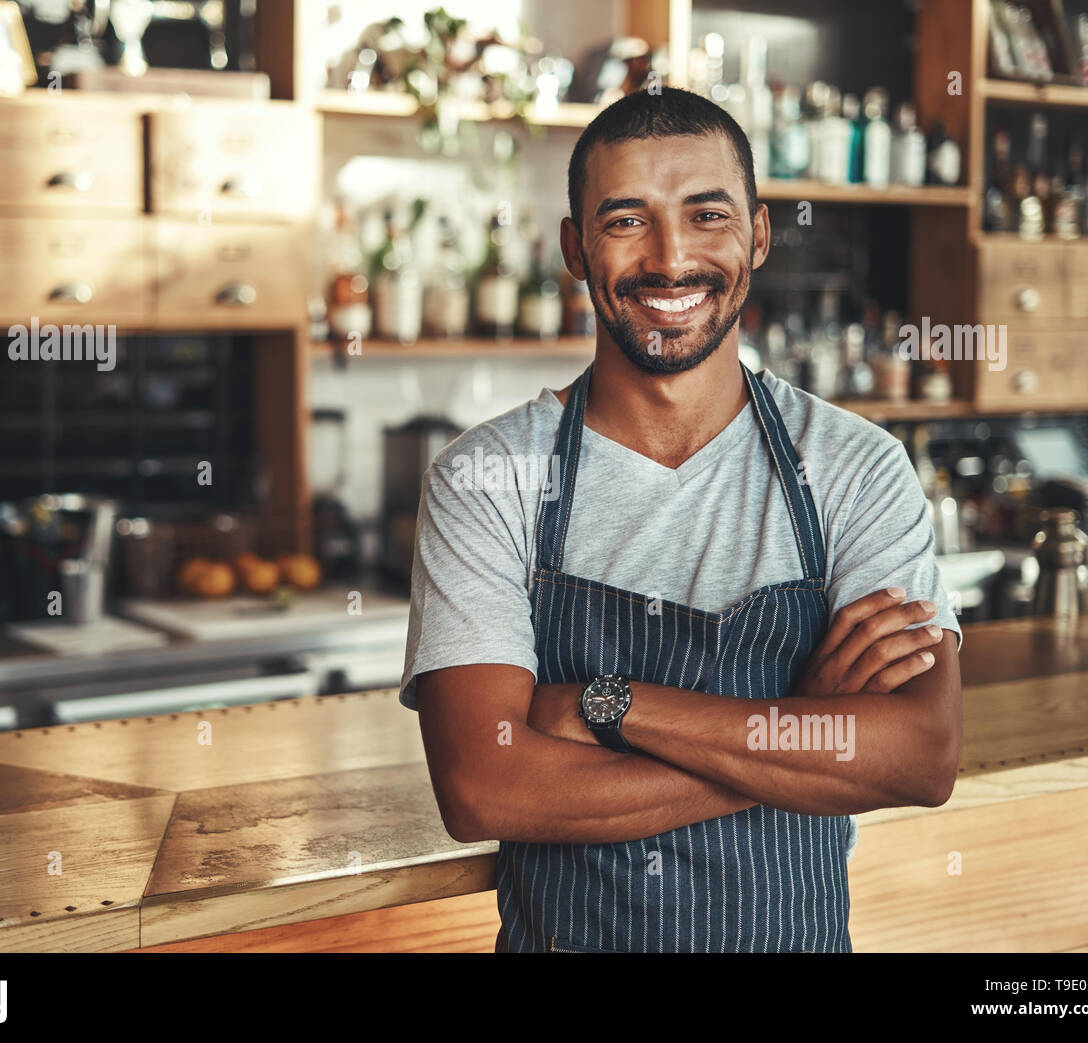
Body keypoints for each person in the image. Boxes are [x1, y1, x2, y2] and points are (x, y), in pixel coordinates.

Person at [399, 86, 962, 953]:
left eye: (707, 214)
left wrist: (607, 704)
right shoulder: (488, 479)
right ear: (575, 250)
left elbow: (921, 754)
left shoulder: (856, 466)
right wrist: (798, 729)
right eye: (626, 220)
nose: (670, 259)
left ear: (759, 235)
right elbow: (485, 786)